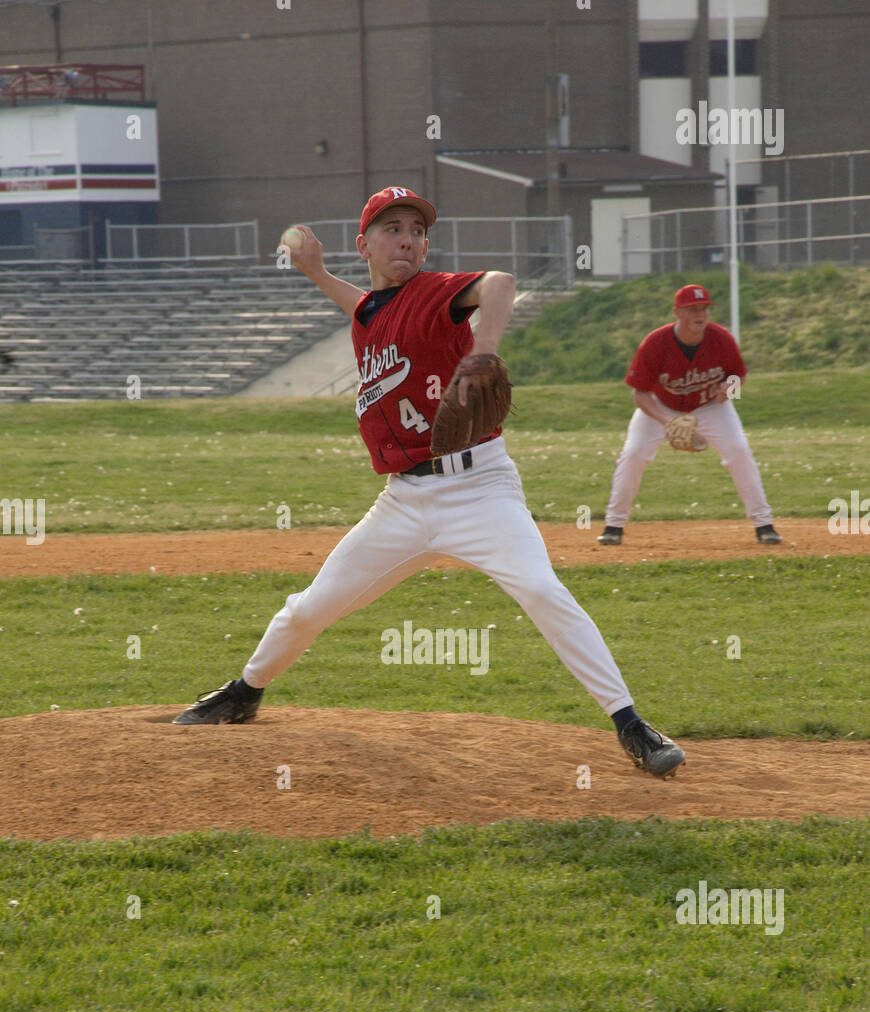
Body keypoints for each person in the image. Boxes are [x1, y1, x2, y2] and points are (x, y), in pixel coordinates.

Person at [174, 186, 685, 778]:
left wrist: (483, 354)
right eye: (392, 228)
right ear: (364, 244)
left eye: (416, 230)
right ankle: (247, 690)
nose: (409, 239)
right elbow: (362, 305)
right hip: (405, 501)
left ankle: (630, 725)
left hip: (481, 490)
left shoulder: (434, 292)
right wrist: (316, 272)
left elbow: (498, 283)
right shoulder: (372, 310)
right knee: (308, 608)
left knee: (543, 591)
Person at [597, 283, 781, 546]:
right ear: (677, 312)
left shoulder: (721, 338)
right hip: (661, 408)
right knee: (634, 453)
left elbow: (738, 374)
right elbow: (640, 394)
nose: (700, 314)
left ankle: (764, 525)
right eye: (692, 308)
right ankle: (613, 526)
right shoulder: (655, 343)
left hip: (710, 407)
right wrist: (667, 421)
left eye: (704, 308)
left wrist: (731, 388)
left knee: (738, 449)